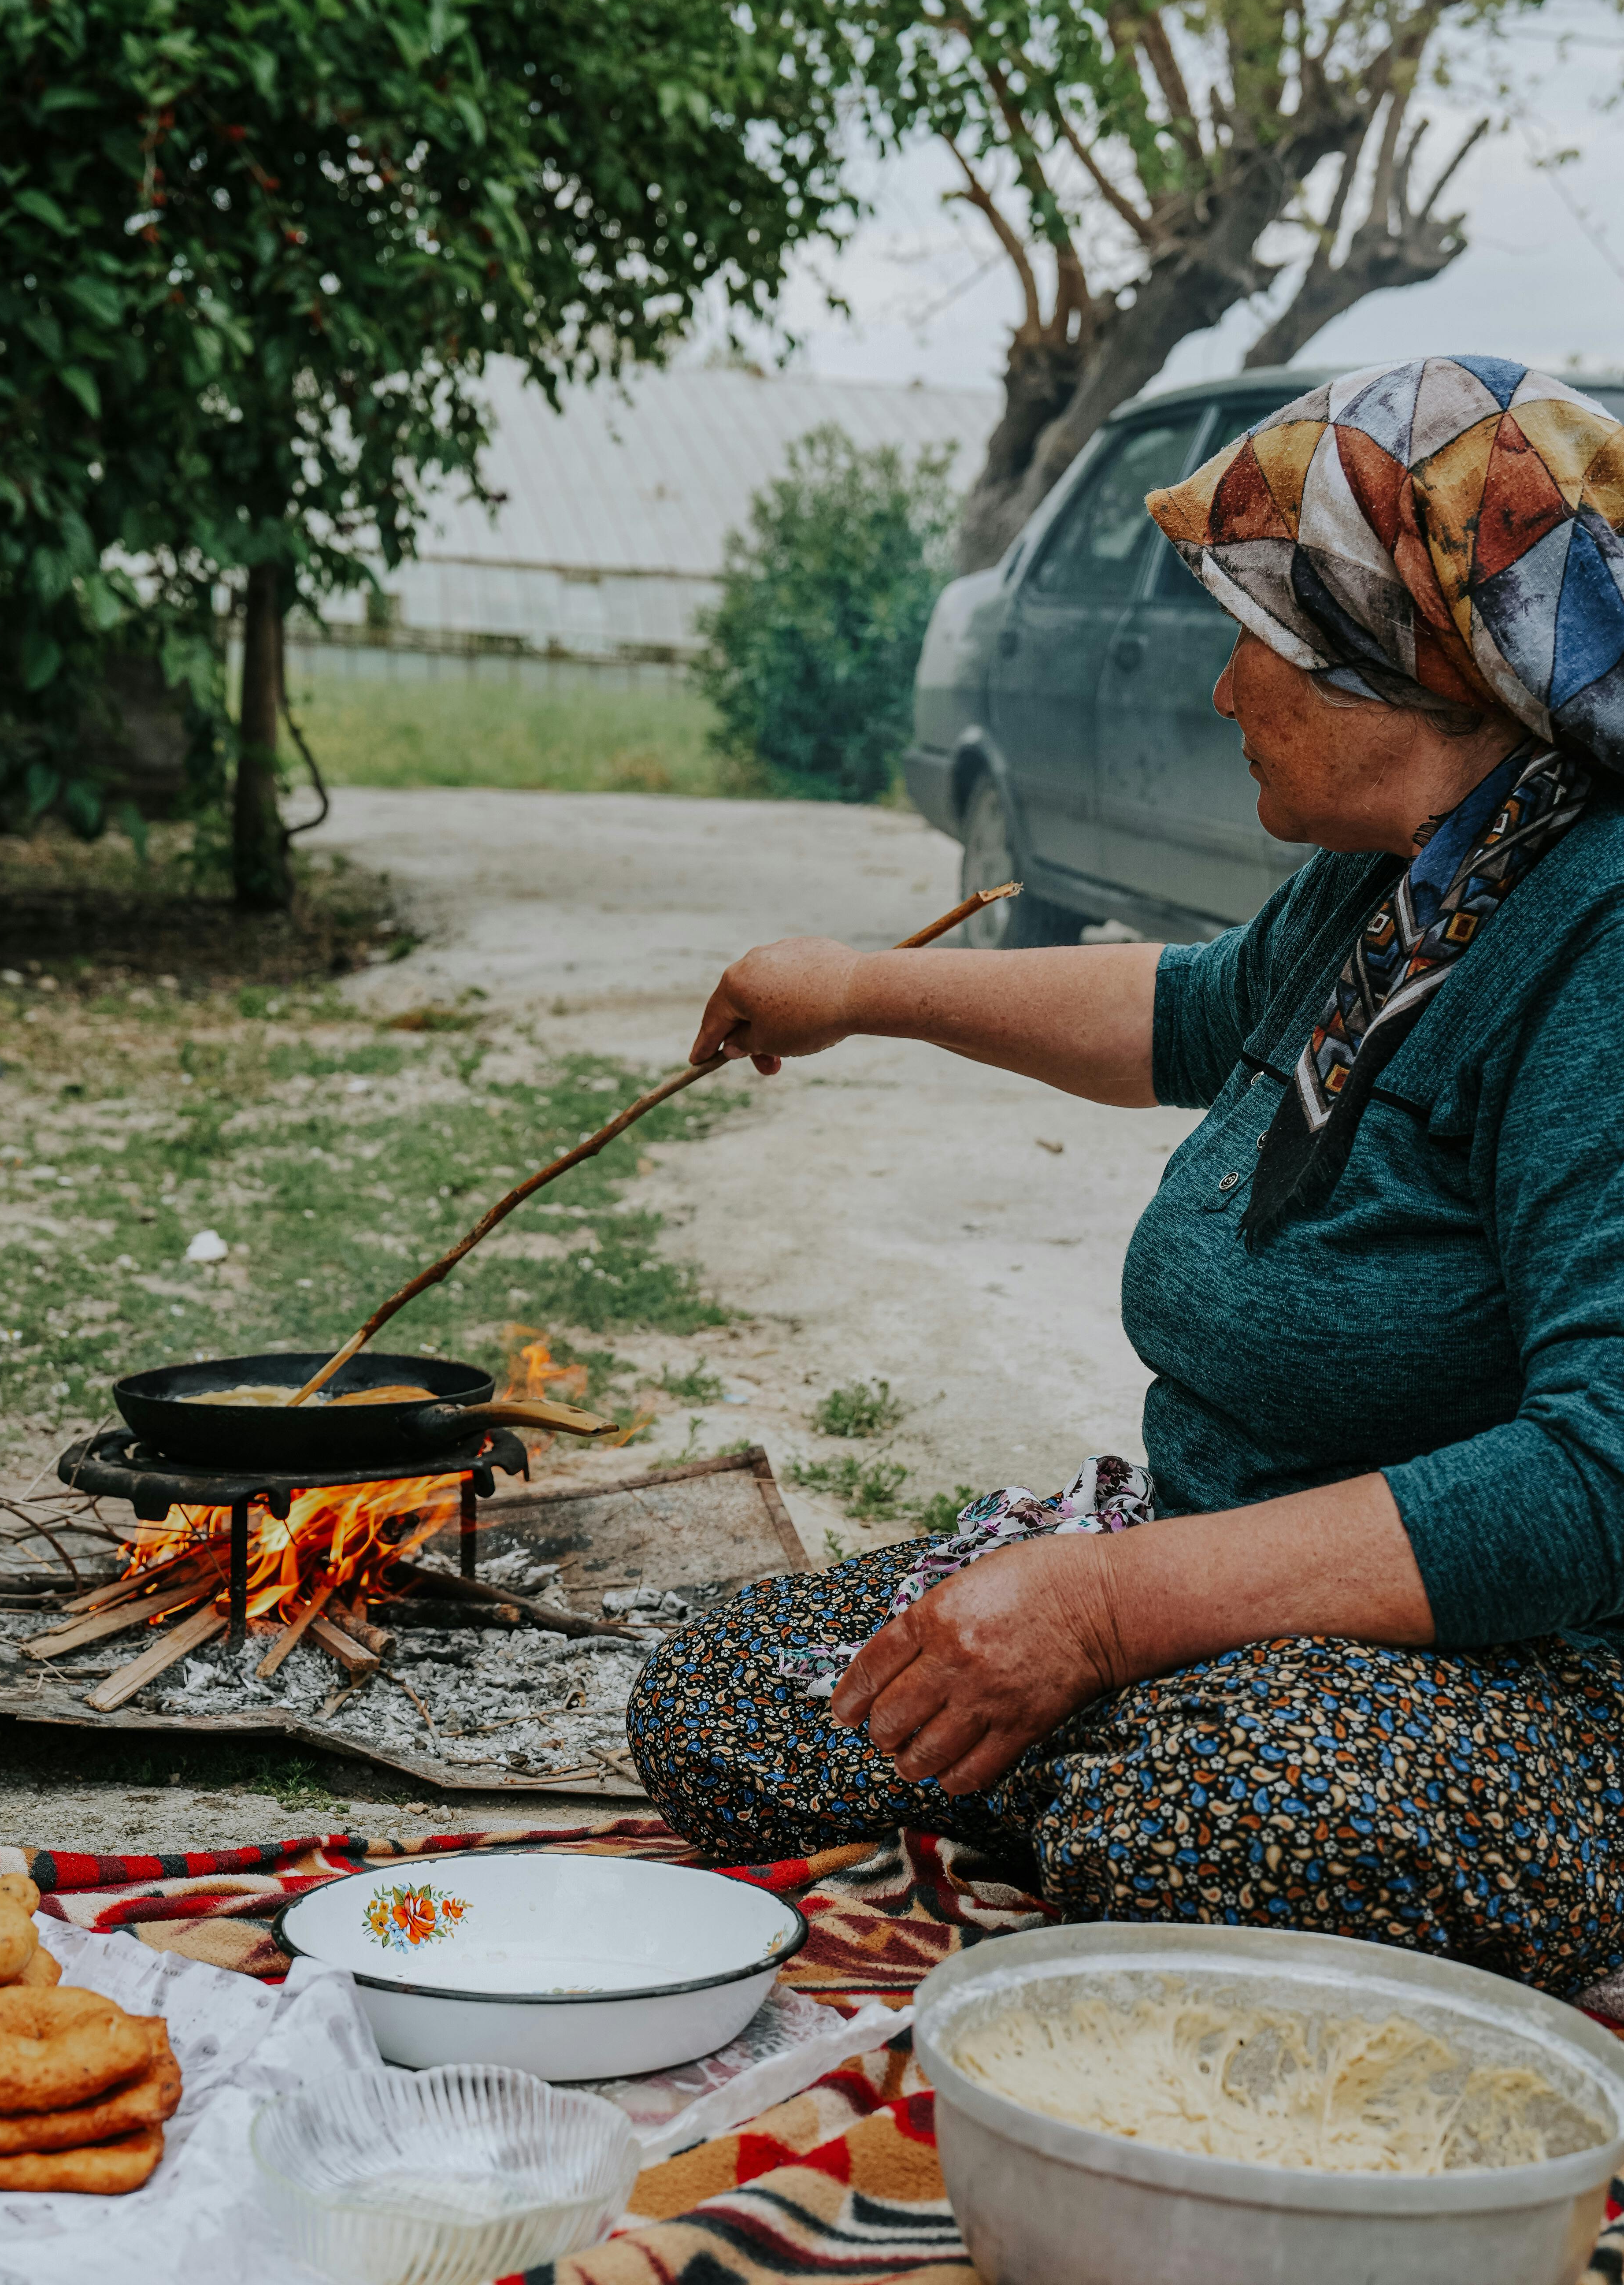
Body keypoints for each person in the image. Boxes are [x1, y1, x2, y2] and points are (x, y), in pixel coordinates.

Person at [627, 357, 1624, 1998]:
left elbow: (1599, 1474)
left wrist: (1101, 1609)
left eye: (1261, 638)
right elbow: (1194, 1011)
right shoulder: (1401, 882)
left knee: (1207, 1817)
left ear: (1402, 666)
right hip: (1221, 1567)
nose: (1225, 692)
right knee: (724, 1707)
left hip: (1536, 1670)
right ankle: (1132, 1767)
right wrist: (864, 988)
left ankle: (1162, 1777)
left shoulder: (1598, 938)